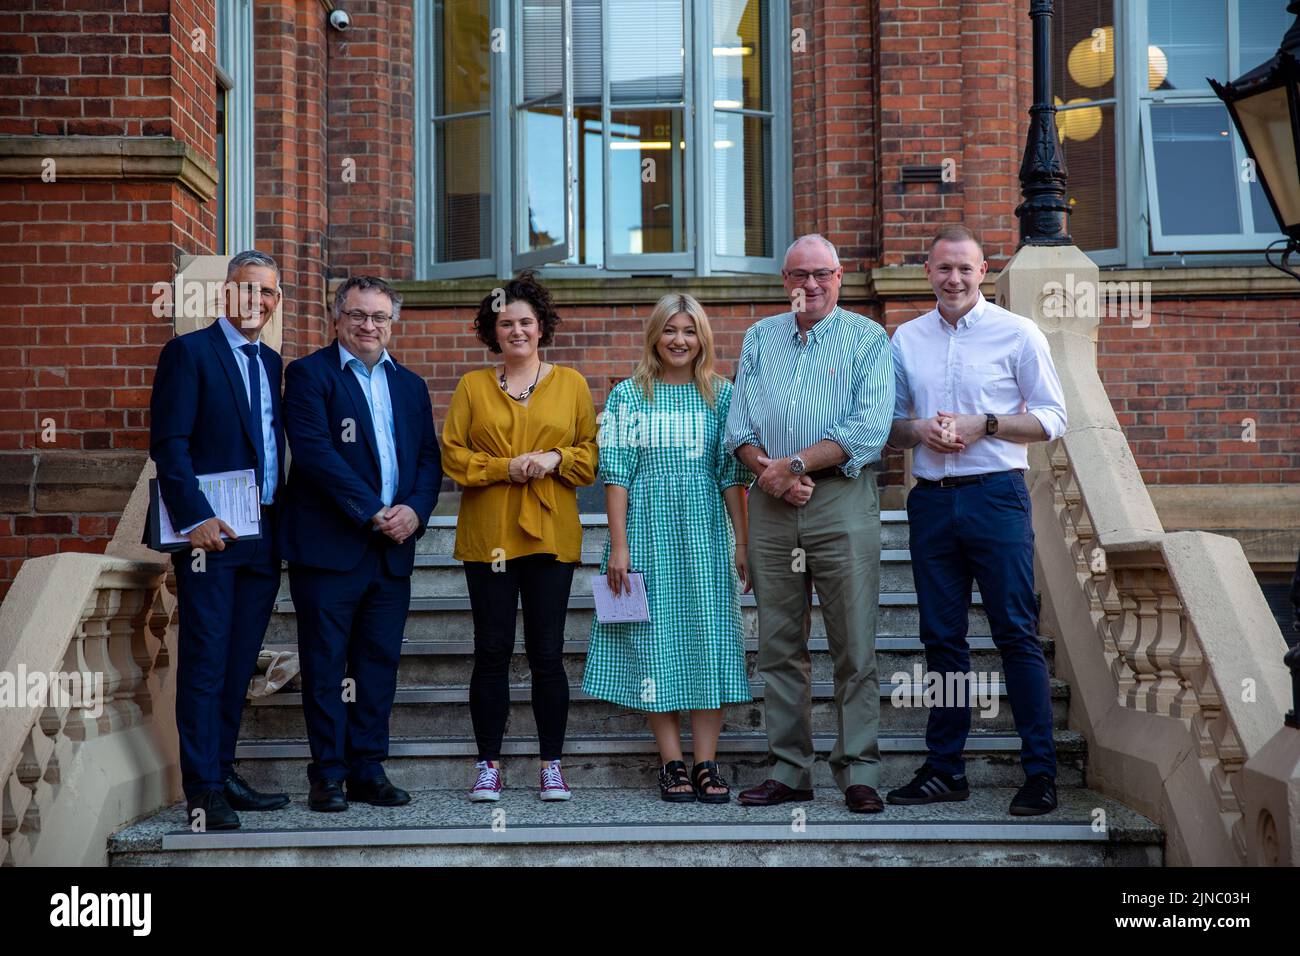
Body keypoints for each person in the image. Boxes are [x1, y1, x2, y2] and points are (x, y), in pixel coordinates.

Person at [886, 224, 1067, 816]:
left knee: (1015, 631)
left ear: (983, 271)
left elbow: (1051, 419)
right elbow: (886, 427)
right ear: (928, 274)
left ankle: (1040, 774)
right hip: (933, 500)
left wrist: (983, 424)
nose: (954, 278)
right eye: (943, 268)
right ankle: (946, 770)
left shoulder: (1018, 333)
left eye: (965, 268)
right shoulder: (905, 339)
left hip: (996, 496)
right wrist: (923, 431)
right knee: (942, 639)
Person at [724, 234, 895, 814]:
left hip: (840, 498)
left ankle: (859, 771)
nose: (811, 285)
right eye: (799, 275)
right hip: (772, 505)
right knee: (778, 644)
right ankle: (789, 769)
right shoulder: (759, 337)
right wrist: (769, 473)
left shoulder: (868, 339)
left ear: (840, 276)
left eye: (822, 273)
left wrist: (794, 464)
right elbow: (737, 427)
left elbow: (870, 427)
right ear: (784, 281)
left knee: (853, 642)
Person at [280, 275, 441, 813]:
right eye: (358, 315)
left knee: (377, 665)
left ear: (391, 324)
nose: (369, 326)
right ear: (337, 319)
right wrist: (374, 511)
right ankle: (327, 774)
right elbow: (314, 453)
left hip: (392, 552)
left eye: (379, 318)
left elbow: (427, 461)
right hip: (329, 549)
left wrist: (415, 512)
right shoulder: (307, 376)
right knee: (326, 667)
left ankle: (368, 769)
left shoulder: (411, 386)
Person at [583, 293, 752, 804]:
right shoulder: (630, 396)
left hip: (705, 530)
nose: (680, 340)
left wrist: (741, 542)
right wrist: (618, 546)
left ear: (702, 337)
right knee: (652, 643)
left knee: (711, 640)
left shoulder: (722, 395)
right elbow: (616, 474)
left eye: (690, 330)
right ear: (655, 335)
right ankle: (672, 763)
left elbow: (731, 475)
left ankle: (706, 764)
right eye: (670, 330)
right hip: (647, 533)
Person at [441, 271, 598, 803]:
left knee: (547, 654)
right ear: (492, 329)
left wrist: (555, 457)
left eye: (525, 321)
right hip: (489, 536)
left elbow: (590, 456)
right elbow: (453, 456)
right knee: (491, 651)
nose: (517, 331)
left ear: (541, 326)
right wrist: (504, 469)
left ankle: (551, 763)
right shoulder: (472, 386)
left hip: (550, 535)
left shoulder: (572, 384)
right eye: (505, 322)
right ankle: (489, 763)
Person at [149, 249, 291, 830]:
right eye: (246, 289)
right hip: (211, 537)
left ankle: (225, 770)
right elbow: (170, 444)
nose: (256, 301)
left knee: (238, 665)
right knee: (206, 663)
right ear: (224, 295)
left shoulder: (274, 362)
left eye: (267, 293)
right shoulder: (188, 354)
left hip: (263, 535)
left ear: (275, 302)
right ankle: (202, 790)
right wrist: (194, 519)